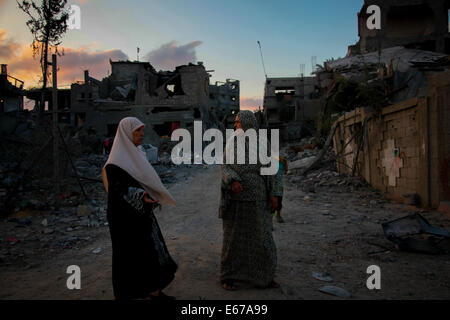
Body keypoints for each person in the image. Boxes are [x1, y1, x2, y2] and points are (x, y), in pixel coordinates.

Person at [101, 117, 177, 300]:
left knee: (149, 252)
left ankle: (152, 292)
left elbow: (143, 181)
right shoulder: (114, 164)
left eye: (142, 130)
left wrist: (149, 195)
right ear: (127, 133)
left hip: (141, 214)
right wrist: (141, 195)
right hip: (124, 219)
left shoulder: (137, 156)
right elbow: (118, 190)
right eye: (138, 131)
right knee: (130, 256)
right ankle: (138, 293)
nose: (142, 134)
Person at [219, 110, 282, 291]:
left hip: (258, 199)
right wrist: (232, 180)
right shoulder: (231, 143)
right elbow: (225, 166)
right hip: (236, 199)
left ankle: (264, 277)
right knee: (233, 240)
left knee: (261, 238)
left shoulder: (263, 143)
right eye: (235, 122)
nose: (235, 125)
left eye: (238, 122)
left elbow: (273, 169)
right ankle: (229, 277)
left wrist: (274, 194)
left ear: (248, 124)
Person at [273, 156, 288, 223]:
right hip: (271, 184)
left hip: (279, 184)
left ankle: (278, 215)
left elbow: (286, 170)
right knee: (271, 202)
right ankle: (271, 219)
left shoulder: (282, 161)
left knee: (279, 200)